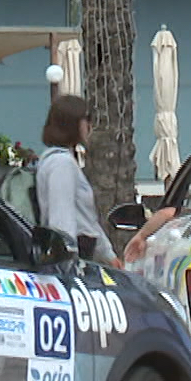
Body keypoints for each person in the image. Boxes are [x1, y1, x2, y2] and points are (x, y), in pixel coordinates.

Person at [36, 94, 113, 264]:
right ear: (73, 123)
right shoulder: (61, 164)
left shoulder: (61, 160)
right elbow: (62, 216)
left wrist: (109, 255)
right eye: (87, 119)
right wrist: (69, 260)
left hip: (81, 251)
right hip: (76, 254)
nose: (89, 126)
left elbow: (86, 219)